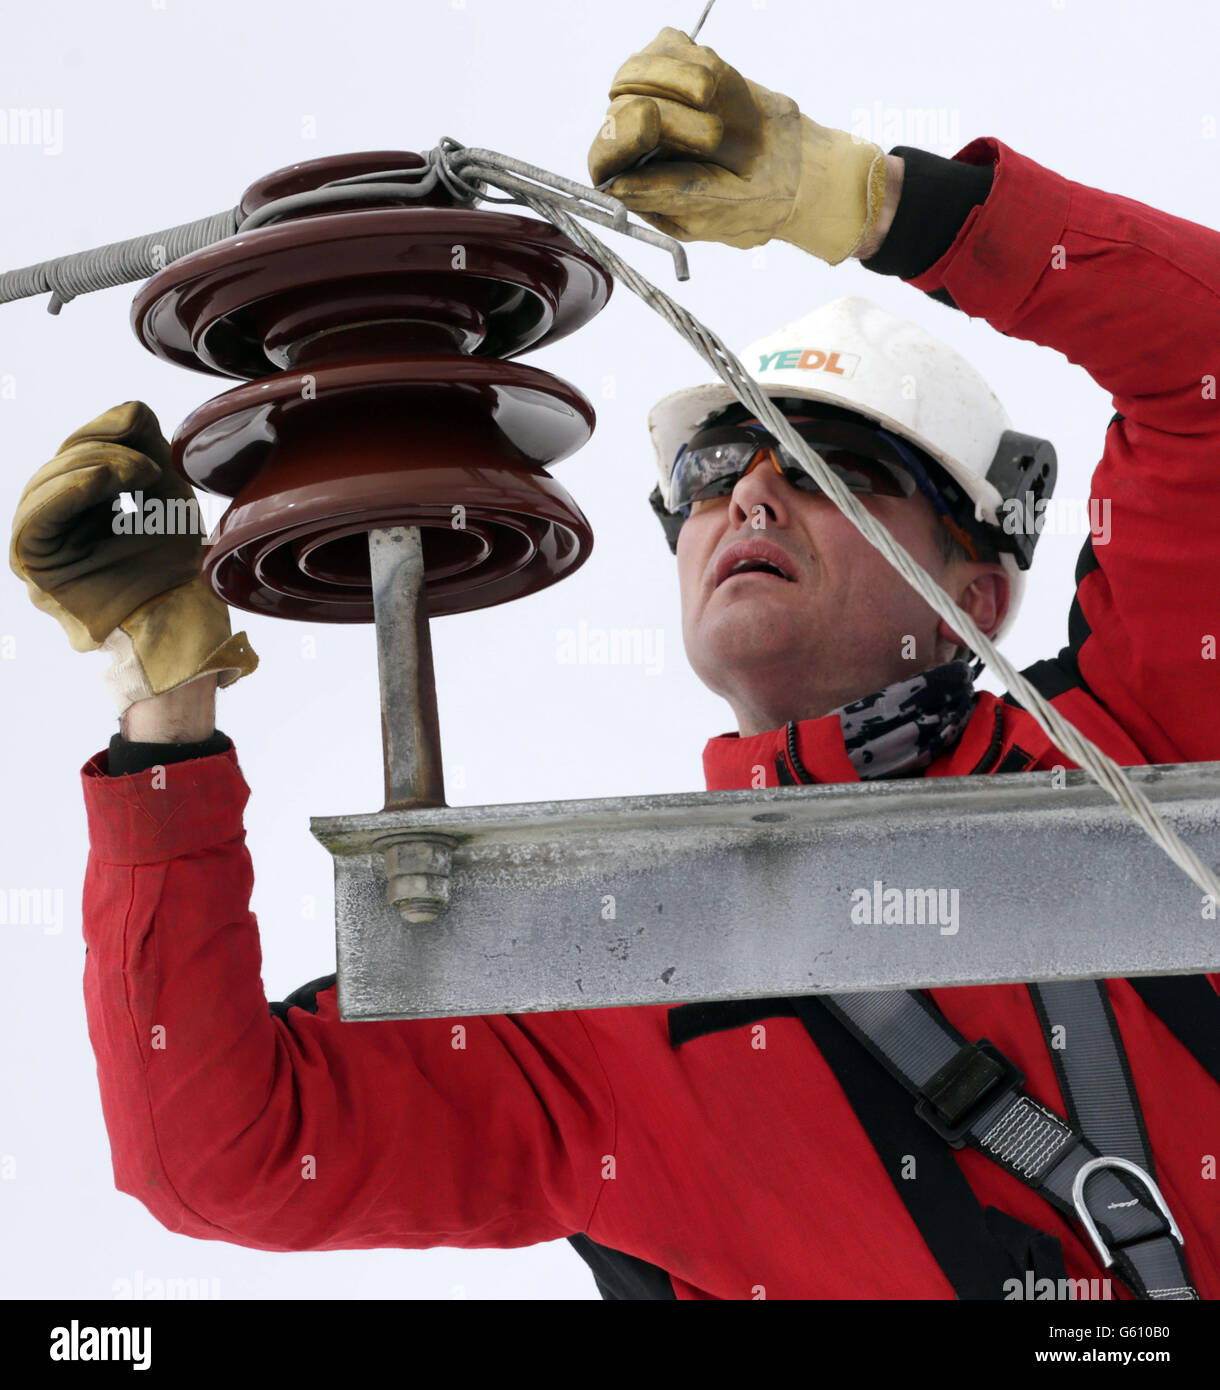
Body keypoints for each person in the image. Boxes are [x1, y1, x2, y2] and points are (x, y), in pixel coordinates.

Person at [10, 26, 1220, 1300]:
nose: (750, 494)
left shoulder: (1138, 744)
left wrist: (867, 199)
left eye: (832, 472)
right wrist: (166, 702)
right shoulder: (608, 989)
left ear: (974, 591)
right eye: (711, 471)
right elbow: (223, 1152)